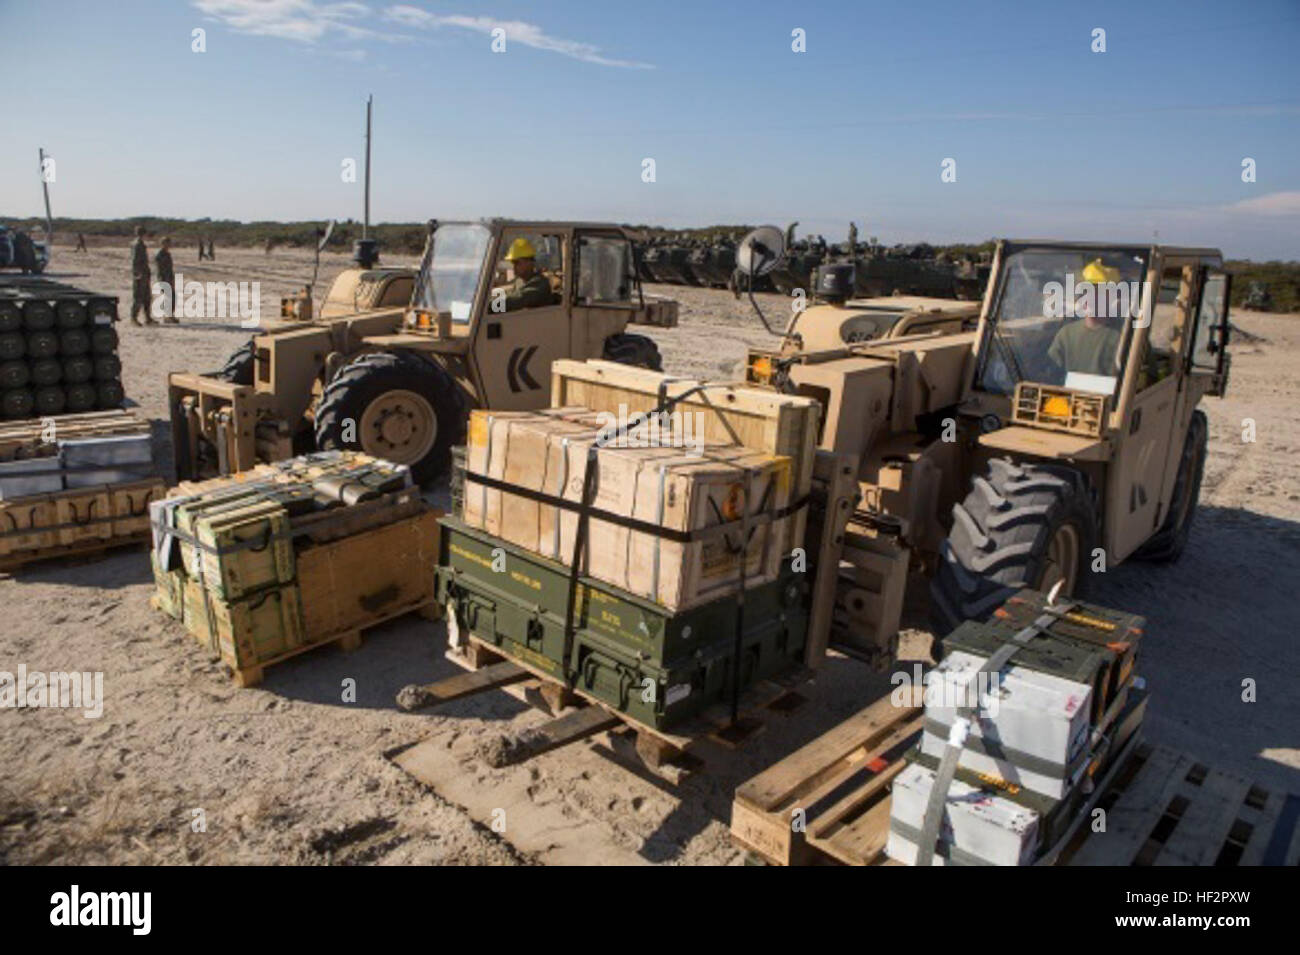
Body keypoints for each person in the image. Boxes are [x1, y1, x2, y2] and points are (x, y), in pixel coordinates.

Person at [1047, 258, 1122, 378]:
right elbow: (1049, 377)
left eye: (1097, 291)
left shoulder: (1128, 337)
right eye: (1084, 291)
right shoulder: (1066, 335)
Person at [496, 238, 555, 312]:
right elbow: (510, 294)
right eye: (513, 263)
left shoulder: (540, 284)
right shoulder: (520, 281)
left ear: (529, 263)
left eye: (517, 263)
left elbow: (517, 300)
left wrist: (493, 305)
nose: (514, 267)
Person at [129, 226, 155, 325]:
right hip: (140, 274)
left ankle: (148, 318)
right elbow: (135, 260)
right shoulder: (137, 245)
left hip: (144, 273)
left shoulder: (140, 244)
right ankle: (133, 318)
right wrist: (138, 273)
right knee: (138, 297)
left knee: (147, 297)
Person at [154, 236, 178, 323]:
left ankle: (169, 315)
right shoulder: (160, 254)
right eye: (167, 243)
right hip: (164, 278)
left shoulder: (167, 254)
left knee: (172, 297)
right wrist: (164, 280)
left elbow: (169, 268)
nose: (169, 245)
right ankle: (167, 316)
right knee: (168, 297)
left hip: (169, 278)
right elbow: (160, 269)